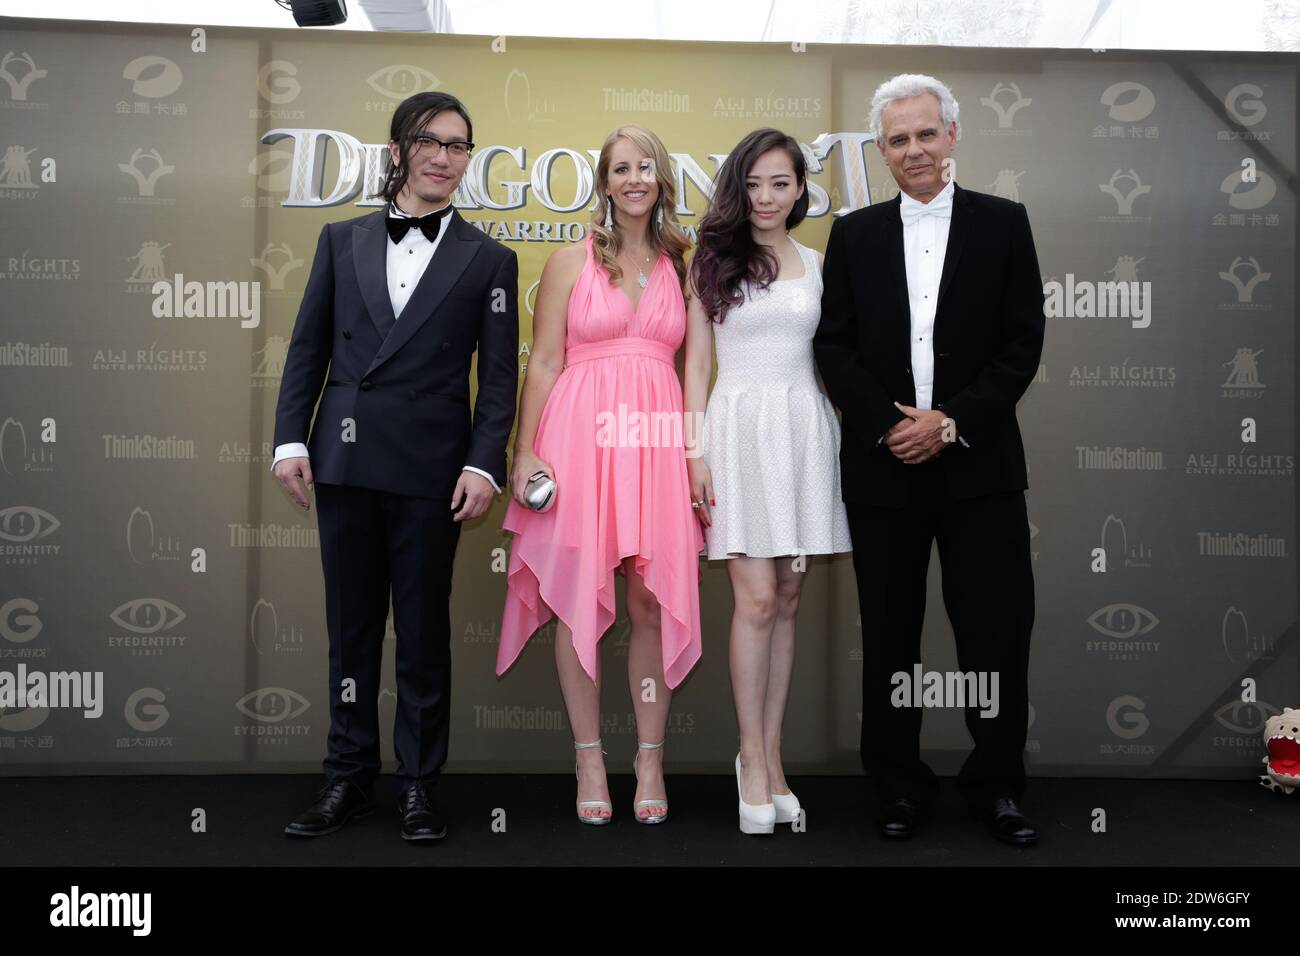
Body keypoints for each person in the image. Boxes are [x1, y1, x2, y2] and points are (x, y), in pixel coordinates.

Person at [271, 91, 519, 842]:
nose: (444, 157)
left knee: (421, 633)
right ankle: (347, 777)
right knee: (350, 632)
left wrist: (484, 466)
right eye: (429, 141)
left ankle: (417, 784)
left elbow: (498, 381)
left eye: (458, 145)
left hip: (431, 471)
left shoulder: (491, 259)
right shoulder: (339, 240)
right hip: (344, 461)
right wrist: (289, 441)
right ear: (397, 149)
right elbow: (307, 348)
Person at [813, 73, 1045, 845]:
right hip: (884, 471)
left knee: (996, 633)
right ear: (881, 150)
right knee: (889, 636)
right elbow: (834, 347)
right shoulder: (853, 235)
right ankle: (897, 785)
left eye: (925, 133)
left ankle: (997, 784)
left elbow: (1022, 344)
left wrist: (950, 422)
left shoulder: (1005, 223)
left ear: (952, 136)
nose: (913, 149)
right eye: (897, 139)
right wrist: (888, 425)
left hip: (980, 468)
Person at [496, 125, 702, 826]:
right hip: (579, 439)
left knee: (650, 603)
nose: (634, 178)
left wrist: (695, 451)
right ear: (605, 182)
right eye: (621, 168)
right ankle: (588, 760)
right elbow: (544, 363)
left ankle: (649, 760)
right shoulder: (568, 261)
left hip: (656, 443)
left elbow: (694, 371)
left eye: (646, 166)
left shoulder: (684, 265)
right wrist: (525, 453)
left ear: (661, 179)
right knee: (577, 602)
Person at [684, 129, 851, 834]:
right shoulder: (711, 263)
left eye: (779, 183)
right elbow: (696, 365)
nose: (765, 197)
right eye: (752, 184)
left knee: (787, 596)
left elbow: (831, 361)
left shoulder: (819, 264)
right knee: (754, 599)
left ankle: (775, 758)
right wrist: (693, 451)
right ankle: (750, 756)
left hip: (803, 433)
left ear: (800, 189)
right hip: (736, 435)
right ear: (736, 189)